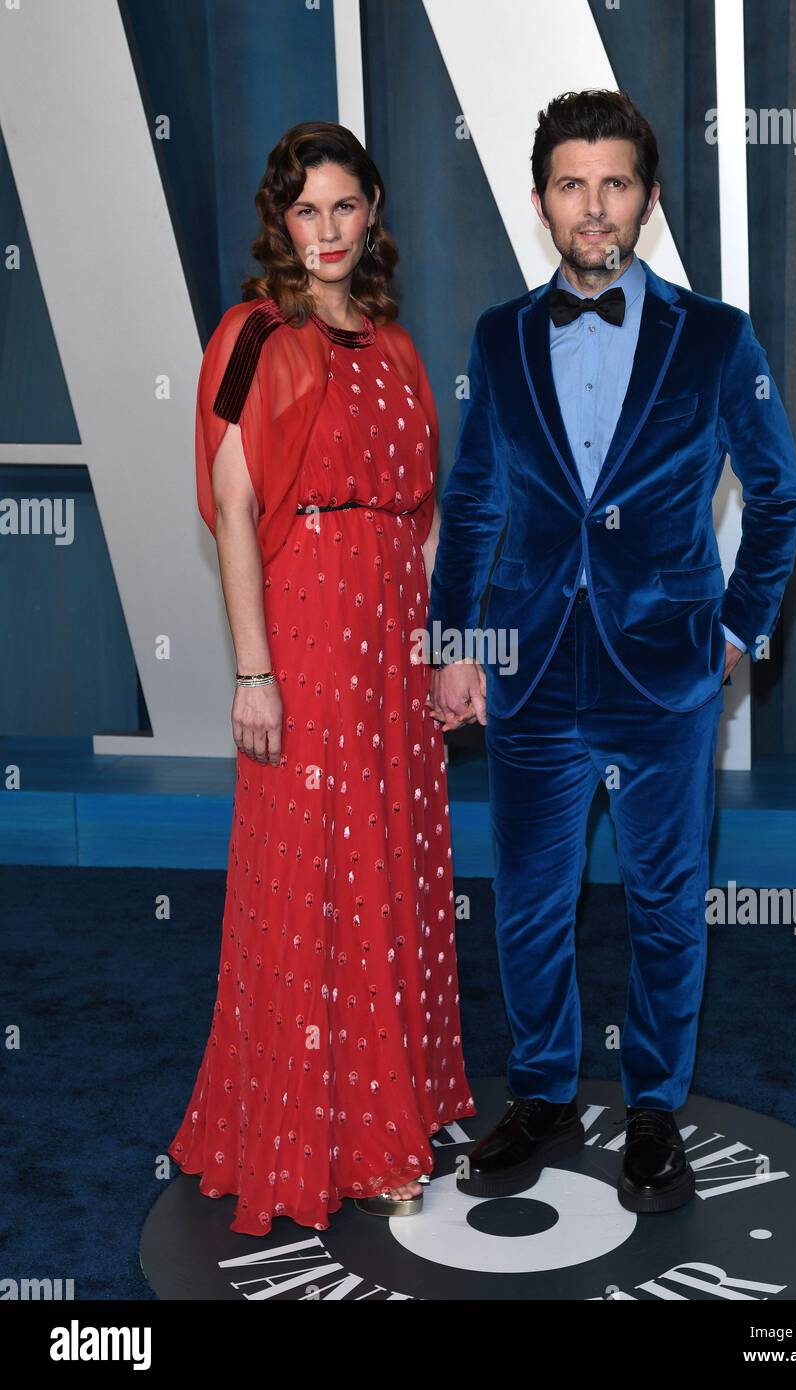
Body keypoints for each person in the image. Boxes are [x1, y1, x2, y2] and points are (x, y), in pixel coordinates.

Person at [426, 89, 796, 1213]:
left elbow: (781, 497)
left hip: (666, 673)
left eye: (615, 184)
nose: (593, 208)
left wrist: (736, 628)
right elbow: (475, 496)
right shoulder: (499, 334)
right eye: (569, 184)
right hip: (533, 670)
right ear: (541, 198)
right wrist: (451, 646)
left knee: (661, 897)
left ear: (644, 198)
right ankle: (541, 1091)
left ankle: (652, 1107)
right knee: (529, 899)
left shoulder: (717, 336)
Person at [169, 120, 476, 1234]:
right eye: (307, 210)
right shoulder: (255, 333)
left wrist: (442, 649)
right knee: (318, 874)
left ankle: (395, 1102)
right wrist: (254, 670)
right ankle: (329, 1135)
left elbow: (424, 517)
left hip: (391, 628)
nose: (328, 230)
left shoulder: (391, 346)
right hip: (304, 626)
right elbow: (237, 511)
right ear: (279, 220)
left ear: (374, 211)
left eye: (346, 206)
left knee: (393, 860)